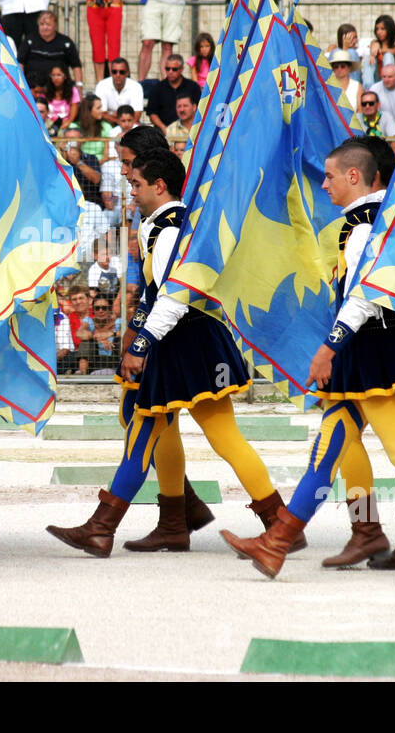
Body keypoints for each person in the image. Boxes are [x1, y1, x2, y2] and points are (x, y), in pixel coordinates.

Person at [222, 140, 395, 583]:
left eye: (331, 176)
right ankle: (282, 541)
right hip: (378, 349)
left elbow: (363, 297)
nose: (325, 183)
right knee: (332, 445)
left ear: (355, 176)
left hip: (372, 352)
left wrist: (327, 348)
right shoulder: (385, 219)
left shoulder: (362, 226)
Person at [89, 149, 282, 551]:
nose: (130, 189)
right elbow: (155, 293)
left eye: (136, 182)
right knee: (157, 429)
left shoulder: (171, 228)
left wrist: (140, 343)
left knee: (213, 435)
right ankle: (175, 521)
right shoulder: (159, 225)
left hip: (187, 340)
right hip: (180, 341)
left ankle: (274, 524)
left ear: (159, 185)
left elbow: (174, 298)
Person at [17, 10, 83, 92]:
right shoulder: (29, 40)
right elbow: (20, 63)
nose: (45, 27)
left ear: (55, 25)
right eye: (42, 24)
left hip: (59, 90)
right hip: (33, 89)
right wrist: (22, 86)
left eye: (48, 24)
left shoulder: (66, 42)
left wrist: (79, 87)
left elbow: (76, 66)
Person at [145, 54, 202, 129]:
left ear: (182, 69)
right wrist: (165, 130)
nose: (170, 72)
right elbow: (152, 113)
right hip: (164, 133)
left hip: (190, 132)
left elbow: (200, 109)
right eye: (167, 69)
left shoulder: (193, 87)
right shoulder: (157, 88)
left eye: (174, 69)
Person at [92, 58, 144, 132]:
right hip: (108, 124)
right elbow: (101, 114)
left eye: (122, 72)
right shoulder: (102, 85)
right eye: (114, 72)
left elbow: (136, 116)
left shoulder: (136, 87)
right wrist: (121, 121)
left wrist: (111, 113)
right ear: (111, 72)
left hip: (131, 124)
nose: (118, 75)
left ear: (127, 73)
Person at [369, 62, 395, 135]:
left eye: (390, 77)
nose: (386, 80)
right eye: (384, 77)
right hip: (380, 130)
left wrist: (393, 130)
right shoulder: (374, 89)